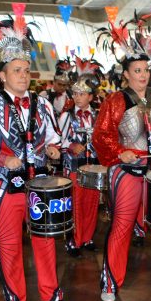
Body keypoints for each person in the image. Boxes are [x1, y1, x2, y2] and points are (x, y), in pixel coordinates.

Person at [0, 17, 71, 301]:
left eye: (26, 70)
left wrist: (54, 149)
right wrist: (1, 158)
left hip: (39, 184)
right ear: (2, 74)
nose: (23, 76)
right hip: (5, 187)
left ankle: (52, 295)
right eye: (16, 70)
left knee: (46, 240)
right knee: (9, 246)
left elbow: (54, 138)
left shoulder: (43, 104)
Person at [92, 15, 151, 301]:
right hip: (127, 172)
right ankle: (110, 282)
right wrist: (121, 152)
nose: (143, 75)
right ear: (127, 74)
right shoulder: (115, 101)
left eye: (146, 70)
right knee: (122, 224)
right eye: (137, 70)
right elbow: (101, 136)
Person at [58, 57, 103, 258]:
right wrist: (70, 145)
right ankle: (73, 240)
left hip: (92, 166)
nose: (77, 97)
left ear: (91, 97)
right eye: (75, 93)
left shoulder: (97, 116)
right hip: (73, 168)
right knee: (74, 204)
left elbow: (103, 139)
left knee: (91, 202)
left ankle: (87, 237)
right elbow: (57, 139)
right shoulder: (67, 115)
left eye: (82, 94)